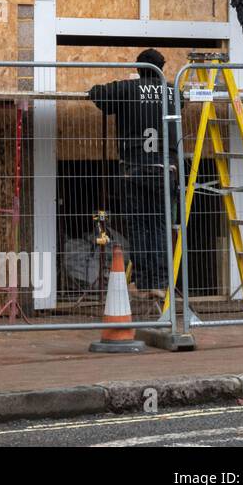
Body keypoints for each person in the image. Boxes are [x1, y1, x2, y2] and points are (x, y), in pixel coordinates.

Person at [88, 49, 171, 299]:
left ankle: (144, 282)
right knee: (159, 225)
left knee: (138, 225)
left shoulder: (127, 89)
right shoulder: (172, 92)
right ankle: (161, 281)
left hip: (134, 168)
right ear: (161, 68)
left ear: (138, 68)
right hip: (163, 169)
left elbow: (98, 94)